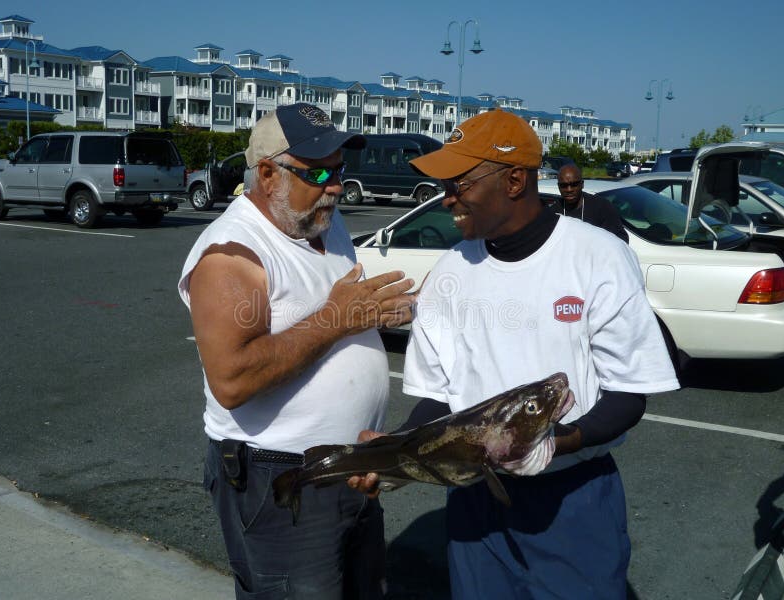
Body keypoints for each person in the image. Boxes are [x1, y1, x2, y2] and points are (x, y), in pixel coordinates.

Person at [349, 108, 679, 599]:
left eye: (459, 184)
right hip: (475, 502)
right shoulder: (450, 273)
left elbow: (630, 394)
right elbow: (440, 399)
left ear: (514, 180)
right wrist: (395, 447)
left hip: (574, 499)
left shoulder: (597, 257)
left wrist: (554, 443)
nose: (447, 199)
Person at [178, 102, 414, 600]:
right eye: (320, 171)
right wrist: (338, 320)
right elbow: (232, 381)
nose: (335, 185)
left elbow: (342, 303)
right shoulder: (231, 254)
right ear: (267, 173)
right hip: (280, 481)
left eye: (340, 170)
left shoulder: (325, 220)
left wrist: (382, 312)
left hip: (349, 469)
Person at [550, 163, 629, 242]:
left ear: (582, 184)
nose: (569, 189)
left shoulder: (601, 207)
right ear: (558, 186)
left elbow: (622, 241)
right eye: (564, 185)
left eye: (574, 184)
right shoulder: (553, 212)